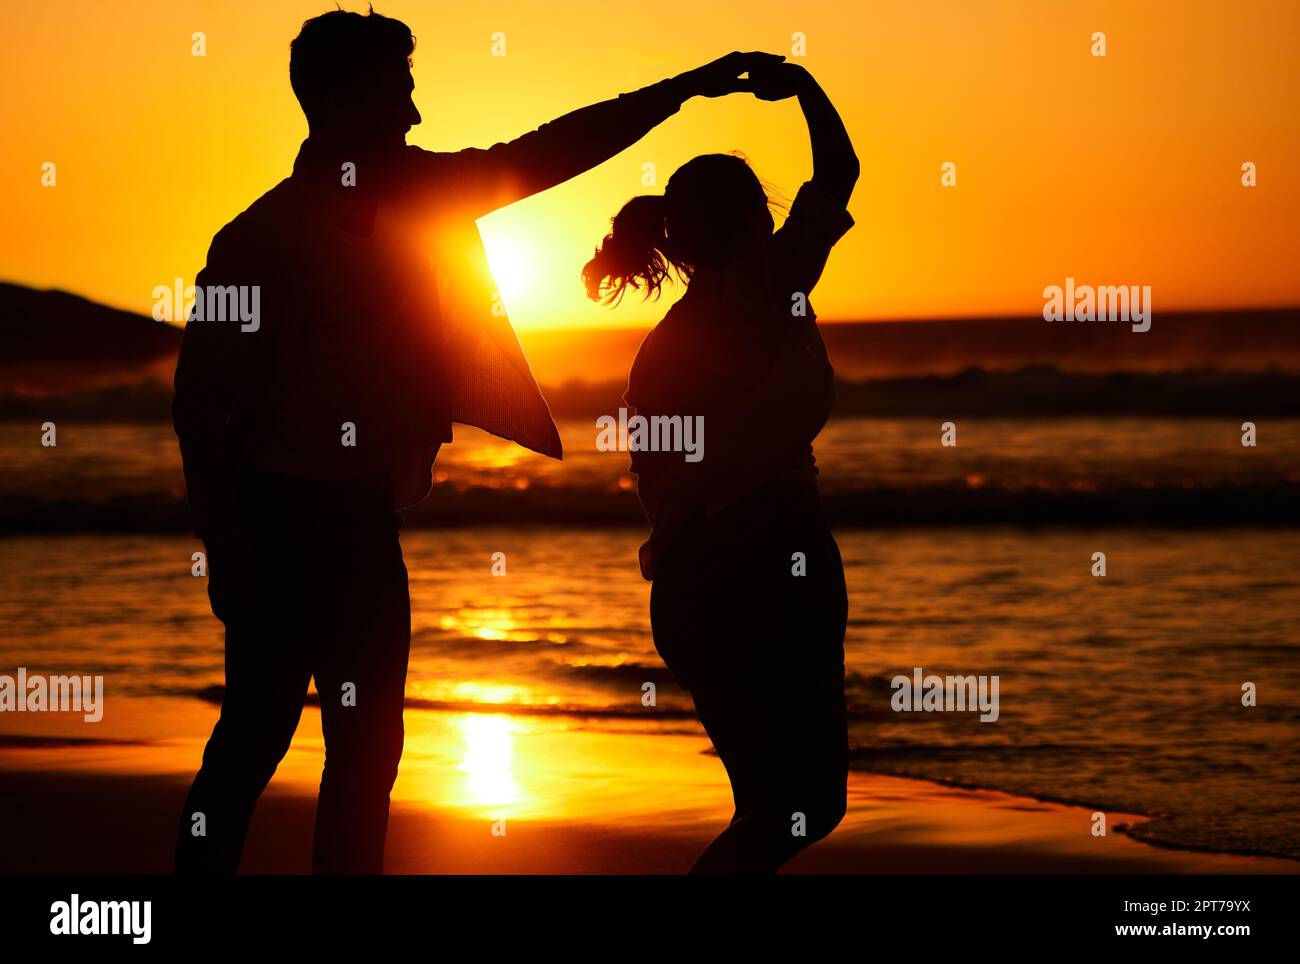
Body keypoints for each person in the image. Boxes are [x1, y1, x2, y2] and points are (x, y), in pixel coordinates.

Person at [171, 5, 784, 874]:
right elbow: (199, 406)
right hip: (278, 520)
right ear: (346, 103)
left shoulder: (416, 195)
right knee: (252, 746)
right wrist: (229, 552)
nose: (415, 115)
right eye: (401, 94)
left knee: (369, 756)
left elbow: (543, 154)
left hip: (361, 520)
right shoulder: (257, 241)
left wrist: (683, 90)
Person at [583, 62, 858, 873]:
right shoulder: (763, 286)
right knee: (802, 809)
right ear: (751, 218)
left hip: (697, 587)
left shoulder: (672, 335)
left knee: (774, 811)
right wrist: (806, 86)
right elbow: (838, 173)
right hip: (766, 564)